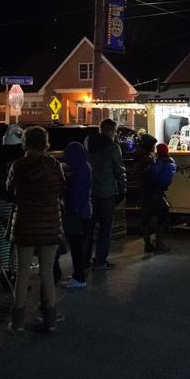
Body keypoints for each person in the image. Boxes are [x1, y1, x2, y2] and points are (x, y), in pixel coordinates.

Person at [6, 126, 66, 333]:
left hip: (25, 224)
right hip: (50, 225)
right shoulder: (54, 165)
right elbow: (62, 189)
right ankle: (50, 320)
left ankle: (18, 322)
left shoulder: (19, 166)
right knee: (47, 273)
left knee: (23, 273)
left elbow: (9, 189)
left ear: (26, 143)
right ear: (45, 143)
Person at [84, 118, 127, 270]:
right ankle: (100, 260)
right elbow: (119, 170)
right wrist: (122, 190)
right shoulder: (112, 147)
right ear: (112, 131)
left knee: (88, 228)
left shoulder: (87, 144)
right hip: (107, 192)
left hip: (90, 191)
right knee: (105, 228)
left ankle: (84, 259)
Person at [0, 124, 25, 289]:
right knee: (16, 243)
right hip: (13, 206)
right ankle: (15, 278)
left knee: (3, 241)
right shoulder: (20, 160)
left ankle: (4, 275)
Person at [61, 141, 93, 289]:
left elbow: (75, 195)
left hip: (78, 213)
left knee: (76, 247)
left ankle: (79, 278)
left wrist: (70, 210)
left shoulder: (80, 172)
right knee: (80, 246)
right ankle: (78, 275)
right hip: (85, 211)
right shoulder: (85, 167)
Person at [141, 143, 176, 253]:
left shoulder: (160, 162)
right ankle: (159, 243)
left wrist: (150, 167)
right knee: (161, 217)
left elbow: (153, 172)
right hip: (160, 192)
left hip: (153, 192)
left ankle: (148, 243)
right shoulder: (171, 162)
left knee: (148, 218)